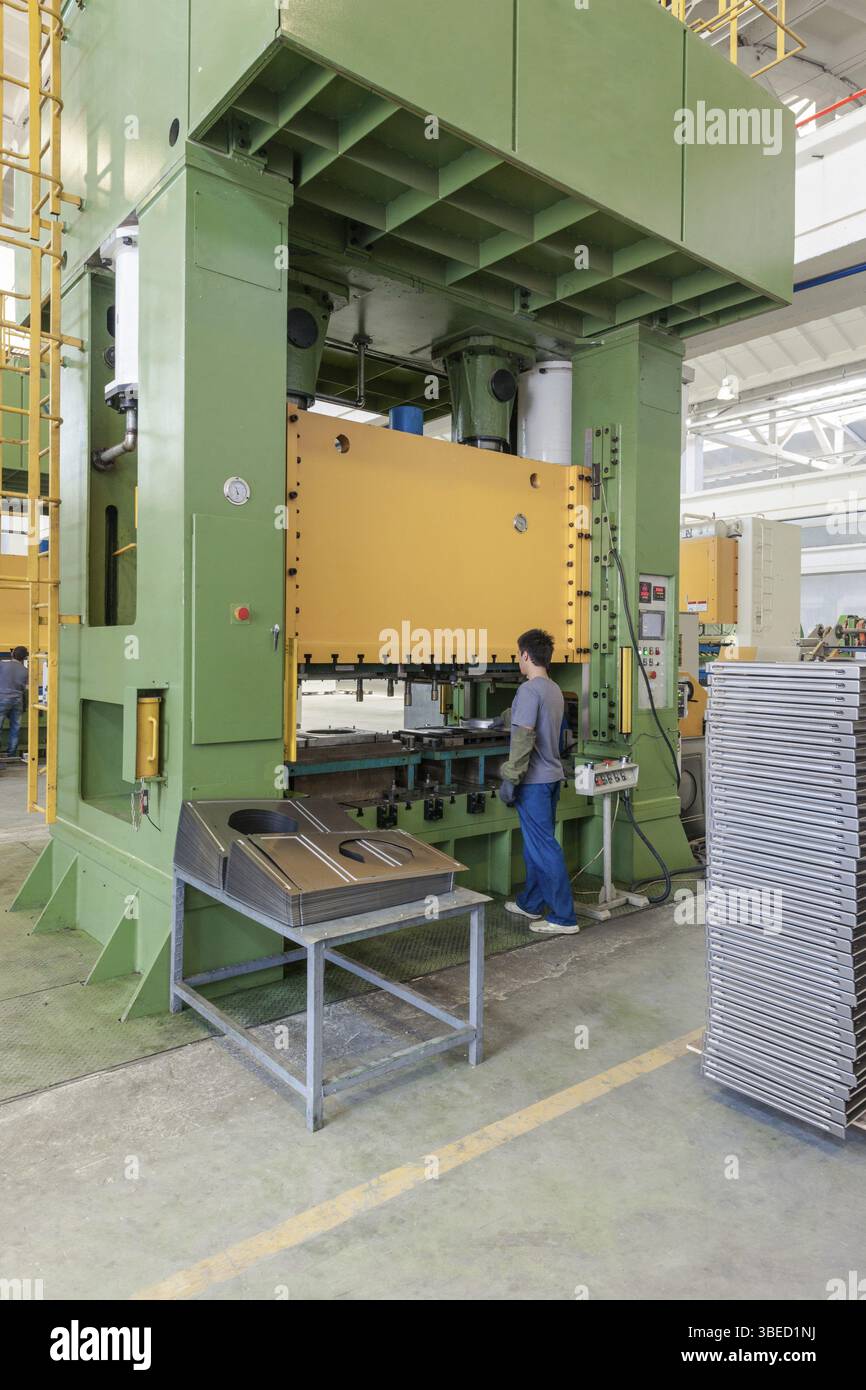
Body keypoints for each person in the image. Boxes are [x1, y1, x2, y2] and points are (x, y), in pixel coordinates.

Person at [498, 629, 578, 934]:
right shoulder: (552, 689)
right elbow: (529, 719)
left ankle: (563, 917)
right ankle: (531, 903)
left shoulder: (529, 691)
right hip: (553, 777)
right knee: (536, 846)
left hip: (533, 783)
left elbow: (524, 736)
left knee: (544, 848)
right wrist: (502, 718)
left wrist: (510, 778)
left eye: (519, 655)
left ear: (525, 656)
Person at [0, 645, 28, 762]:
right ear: (25, 658)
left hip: (2, 698)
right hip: (18, 701)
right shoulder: (26, 670)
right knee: (15, 728)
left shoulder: (2, 664)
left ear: (12, 654)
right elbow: (26, 687)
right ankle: (11, 755)